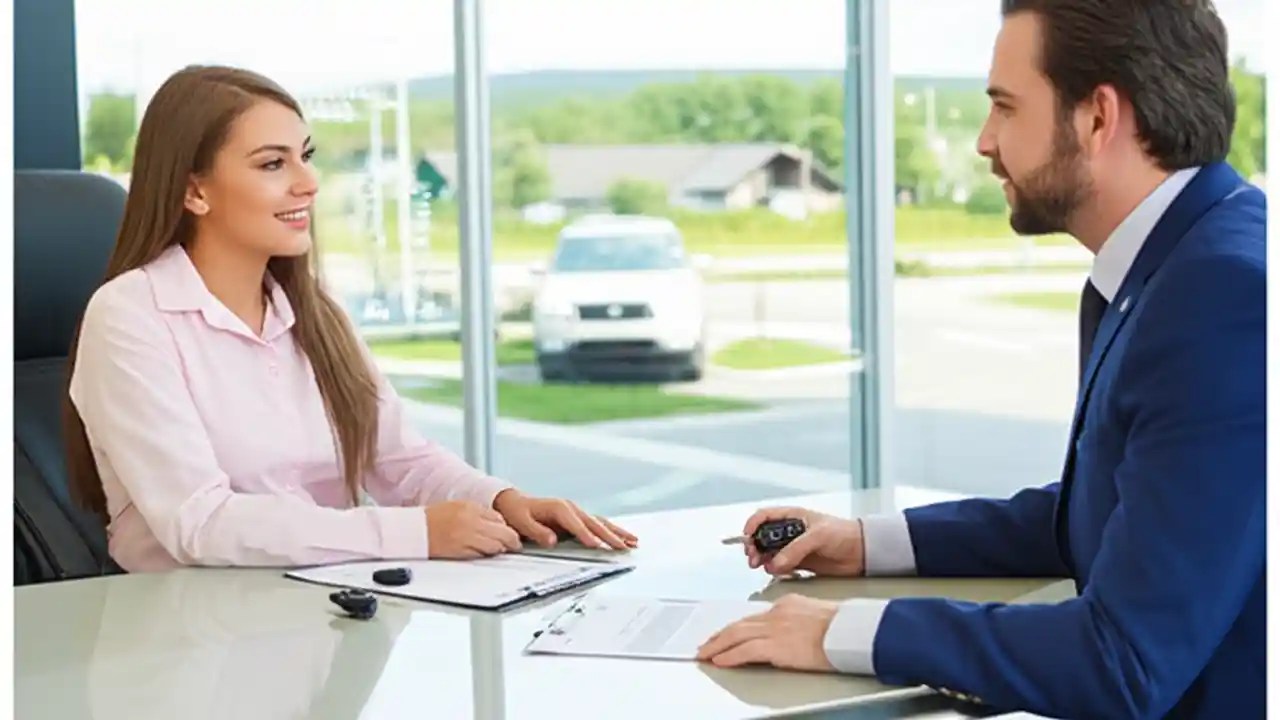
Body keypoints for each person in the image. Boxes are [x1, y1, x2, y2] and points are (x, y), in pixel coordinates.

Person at [697, 1, 1265, 717]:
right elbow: (1100, 516)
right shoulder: (1175, 263)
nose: (983, 141)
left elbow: (1124, 659)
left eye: (1004, 108)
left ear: (1097, 118)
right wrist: (864, 544)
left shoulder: (1225, 296)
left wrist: (846, 632)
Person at [63, 65, 636, 572]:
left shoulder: (314, 312)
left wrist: (502, 501)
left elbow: (399, 459)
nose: (308, 182)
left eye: (305, 156)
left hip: (320, 614)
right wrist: (415, 533)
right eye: (272, 163)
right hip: (183, 638)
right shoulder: (130, 315)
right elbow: (199, 523)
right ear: (195, 192)